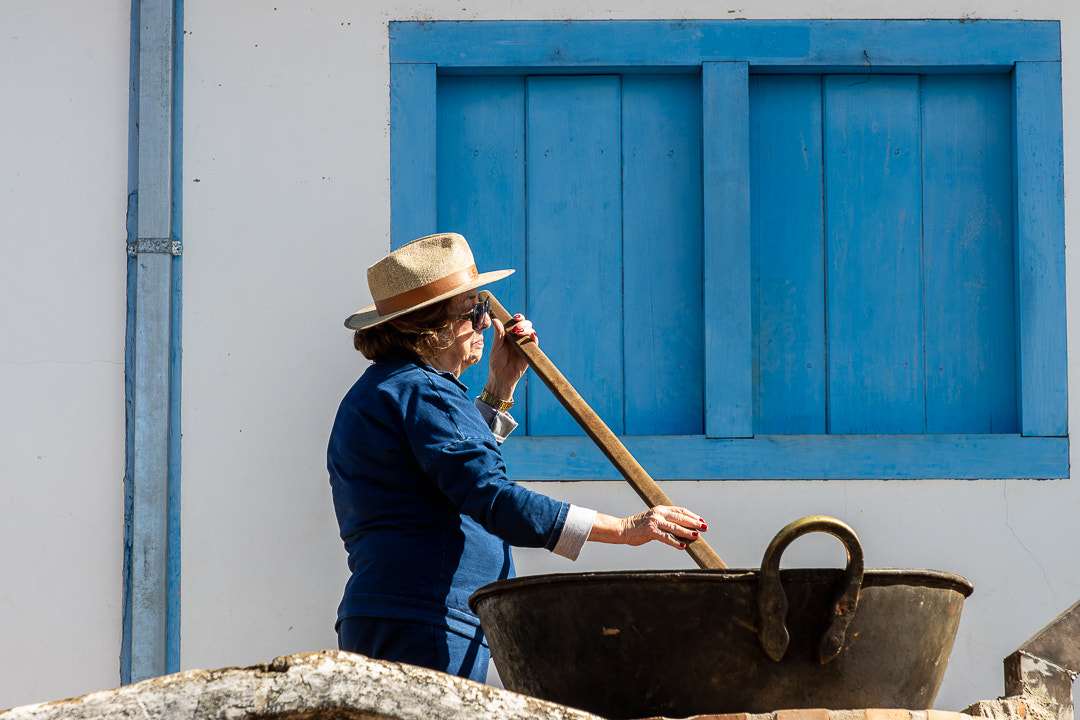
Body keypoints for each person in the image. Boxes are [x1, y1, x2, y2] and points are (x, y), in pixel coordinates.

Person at [327, 232, 708, 682]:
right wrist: (625, 530)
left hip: (398, 613)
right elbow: (492, 498)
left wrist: (500, 386)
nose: (488, 323)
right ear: (433, 326)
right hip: (426, 618)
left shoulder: (387, 390)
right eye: (474, 308)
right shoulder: (424, 390)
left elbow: (447, 473)